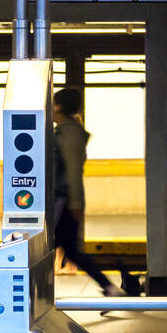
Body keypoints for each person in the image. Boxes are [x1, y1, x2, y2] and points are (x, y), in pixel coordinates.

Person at [52, 87, 126, 299]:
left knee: (46, 247)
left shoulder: (69, 134)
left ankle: (110, 288)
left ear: (59, 107)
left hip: (63, 201)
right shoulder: (67, 131)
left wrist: (76, 204)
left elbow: (73, 171)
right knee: (70, 249)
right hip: (64, 200)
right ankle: (110, 288)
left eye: (53, 104)